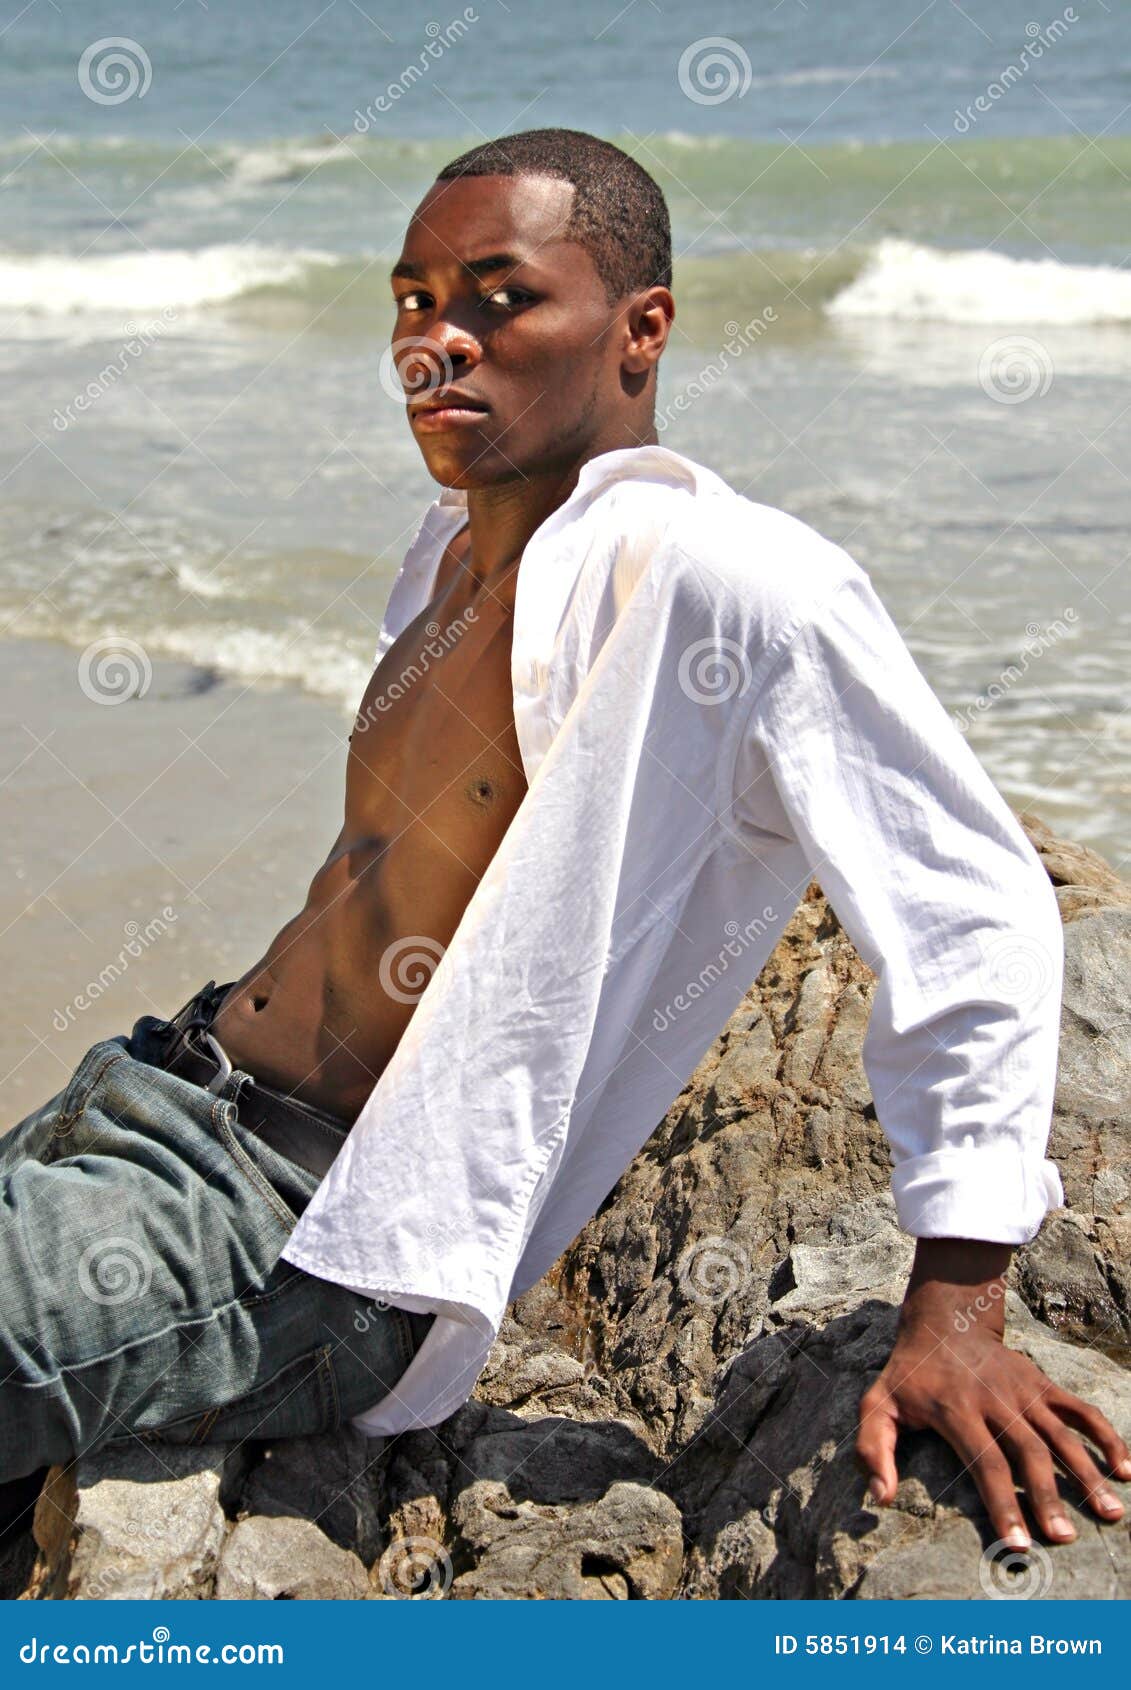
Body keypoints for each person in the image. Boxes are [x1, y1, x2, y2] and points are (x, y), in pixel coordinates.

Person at [1, 129, 1127, 1565]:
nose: (436, 343)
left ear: (642, 326)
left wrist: (959, 1305)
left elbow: (972, 902)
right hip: (154, 1096)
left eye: (498, 298)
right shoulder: (453, 553)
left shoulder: (736, 579)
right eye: (413, 300)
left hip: (301, 1233)